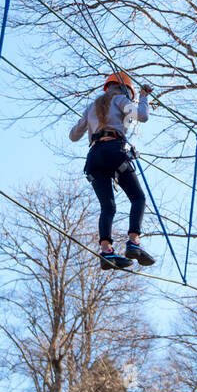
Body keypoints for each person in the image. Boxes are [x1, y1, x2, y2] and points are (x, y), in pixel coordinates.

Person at [69, 71, 156, 270]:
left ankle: (106, 251)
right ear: (125, 90)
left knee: (107, 207)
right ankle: (133, 242)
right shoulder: (120, 100)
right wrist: (143, 98)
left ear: (107, 87)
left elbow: (74, 136)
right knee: (138, 198)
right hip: (114, 151)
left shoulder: (91, 107)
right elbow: (141, 116)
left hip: (94, 157)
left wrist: (90, 123)